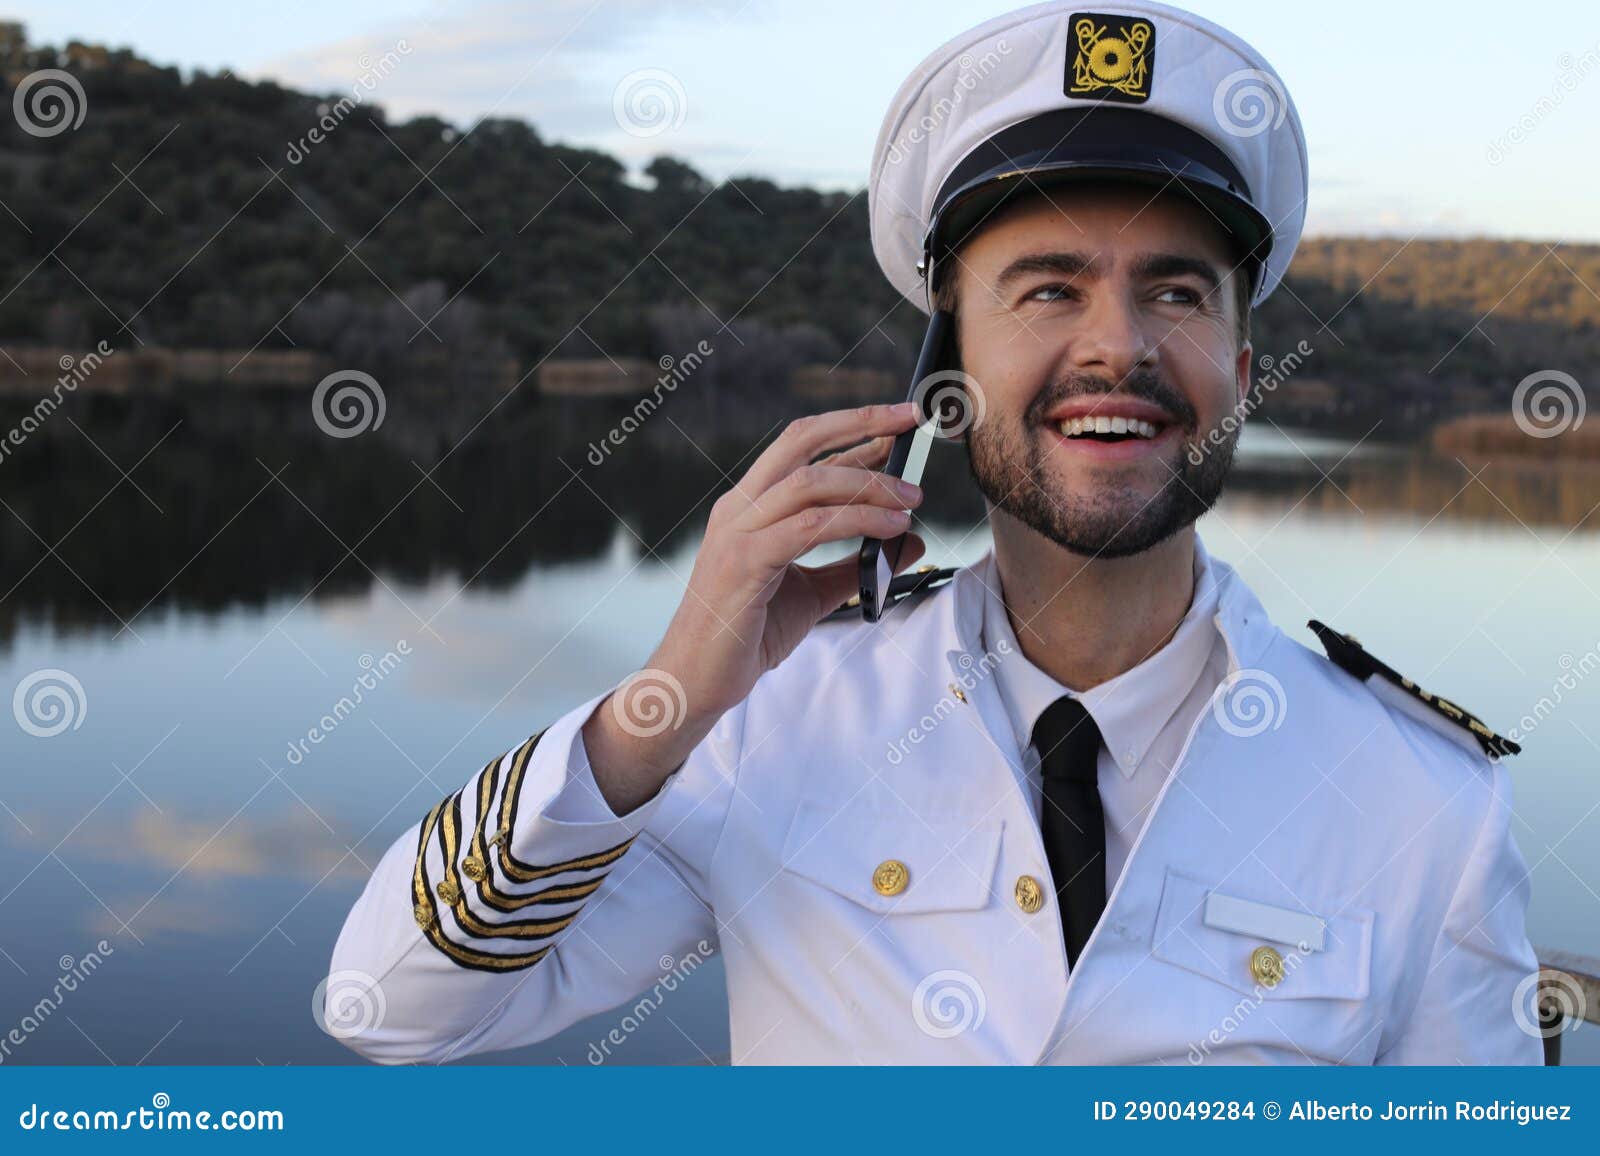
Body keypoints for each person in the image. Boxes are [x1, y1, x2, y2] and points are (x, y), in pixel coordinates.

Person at [325, 0, 1540, 1064]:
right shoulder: (778, 718)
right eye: (1048, 288)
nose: (1116, 344)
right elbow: (393, 1008)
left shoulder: (1417, 798)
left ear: (1240, 365)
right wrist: (668, 698)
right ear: (948, 370)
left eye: (1175, 291)